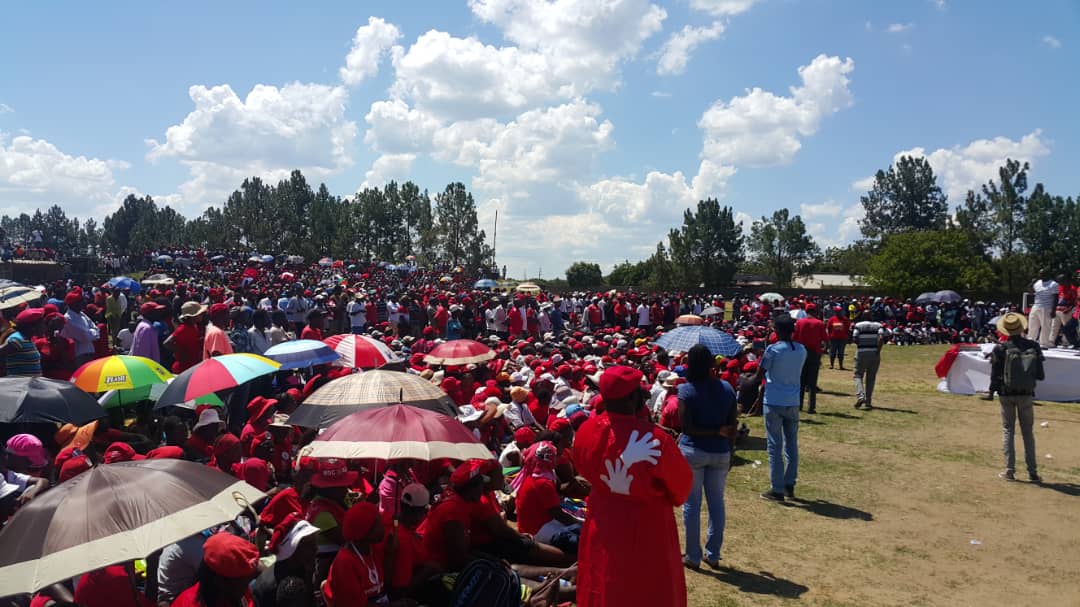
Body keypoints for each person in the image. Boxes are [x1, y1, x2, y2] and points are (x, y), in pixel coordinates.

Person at [571, 365, 692, 607]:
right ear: (631, 397)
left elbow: (583, 470)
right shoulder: (655, 440)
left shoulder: (585, 430)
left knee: (603, 583)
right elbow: (681, 488)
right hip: (648, 527)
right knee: (648, 588)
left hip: (602, 521)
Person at [677, 344, 738, 570]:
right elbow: (732, 426)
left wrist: (713, 433)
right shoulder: (727, 388)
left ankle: (693, 556)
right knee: (716, 504)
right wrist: (729, 450)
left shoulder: (686, 390)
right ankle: (713, 554)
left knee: (692, 505)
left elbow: (686, 428)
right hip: (720, 452)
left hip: (694, 451)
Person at [754, 315, 806, 502]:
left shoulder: (773, 350)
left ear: (778, 330)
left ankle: (777, 489)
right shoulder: (801, 349)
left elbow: (760, 373)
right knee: (791, 444)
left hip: (774, 401)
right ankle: (789, 485)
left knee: (774, 446)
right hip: (793, 401)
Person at [989, 312, 1044, 483]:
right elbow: (1041, 375)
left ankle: (1009, 470)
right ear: (1022, 327)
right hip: (1026, 394)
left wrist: (991, 392)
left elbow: (994, 376)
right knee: (1028, 433)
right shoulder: (1033, 346)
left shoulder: (1000, 348)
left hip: (1006, 394)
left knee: (1008, 431)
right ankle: (1033, 471)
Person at [170, 532, 259, 607]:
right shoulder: (188, 603)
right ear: (222, 581)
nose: (247, 587)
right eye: (245, 582)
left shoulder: (235, 592)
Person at [251, 516, 320, 607]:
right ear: (292, 550)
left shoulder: (302, 568)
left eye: (314, 543)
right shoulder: (270, 587)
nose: (316, 548)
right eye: (309, 544)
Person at [794, 303, 827, 413]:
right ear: (816, 312)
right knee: (813, 382)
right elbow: (826, 339)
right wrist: (823, 350)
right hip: (814, 353)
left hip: (801, 353)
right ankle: (811, 407)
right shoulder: (820, 323)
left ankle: (799, 405)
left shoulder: (799, 322)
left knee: (801, 381)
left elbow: (794, 338)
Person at [852, 311, 886, 410]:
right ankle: (868, 401)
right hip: (874, 352)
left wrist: (860, 345)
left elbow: (855, 337)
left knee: (858, 375)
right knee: (871, 378)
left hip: (862, 352)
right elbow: (881, 337)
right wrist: (878, 350)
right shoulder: (878, 325)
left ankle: (860, 396)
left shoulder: (858, 325)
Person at [0, 308, 45, 377]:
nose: (44, 327)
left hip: (28, 386)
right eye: (42, 324)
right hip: (19, 385)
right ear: (32, 326)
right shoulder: (17, 340)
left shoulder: (27, 340)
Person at [61, 290, 100, 366]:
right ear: (73, 304)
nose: (83, 302)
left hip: (90, 351)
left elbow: (96, 329)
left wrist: (91, 331)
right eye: (80, 301)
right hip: (80, 356)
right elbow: (85, 336)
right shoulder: (68, 318)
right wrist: (92, 331)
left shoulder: (82, 314)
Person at [166, 302, 206, 373]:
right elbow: (167, 343)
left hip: (193, 366)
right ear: (193, 316)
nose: (202, 315)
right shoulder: (182, 329)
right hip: (184, 369)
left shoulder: (194, 326)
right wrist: (182, 354)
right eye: (200, 314)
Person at [1029, 270, 1058, 348]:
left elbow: (1056, 298)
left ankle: (1044, 344)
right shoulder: (1037, 283)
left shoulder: (1053, 284)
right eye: (1040, 273)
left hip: (1046, 307)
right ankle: (1031, 341)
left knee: (1045, 326)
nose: (1040, 275)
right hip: (1036, 306)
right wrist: (1031, 284)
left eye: (1042, 273)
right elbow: (1031, 293)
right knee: (1032, 325)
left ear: (1047, 274)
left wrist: (1053, 310)